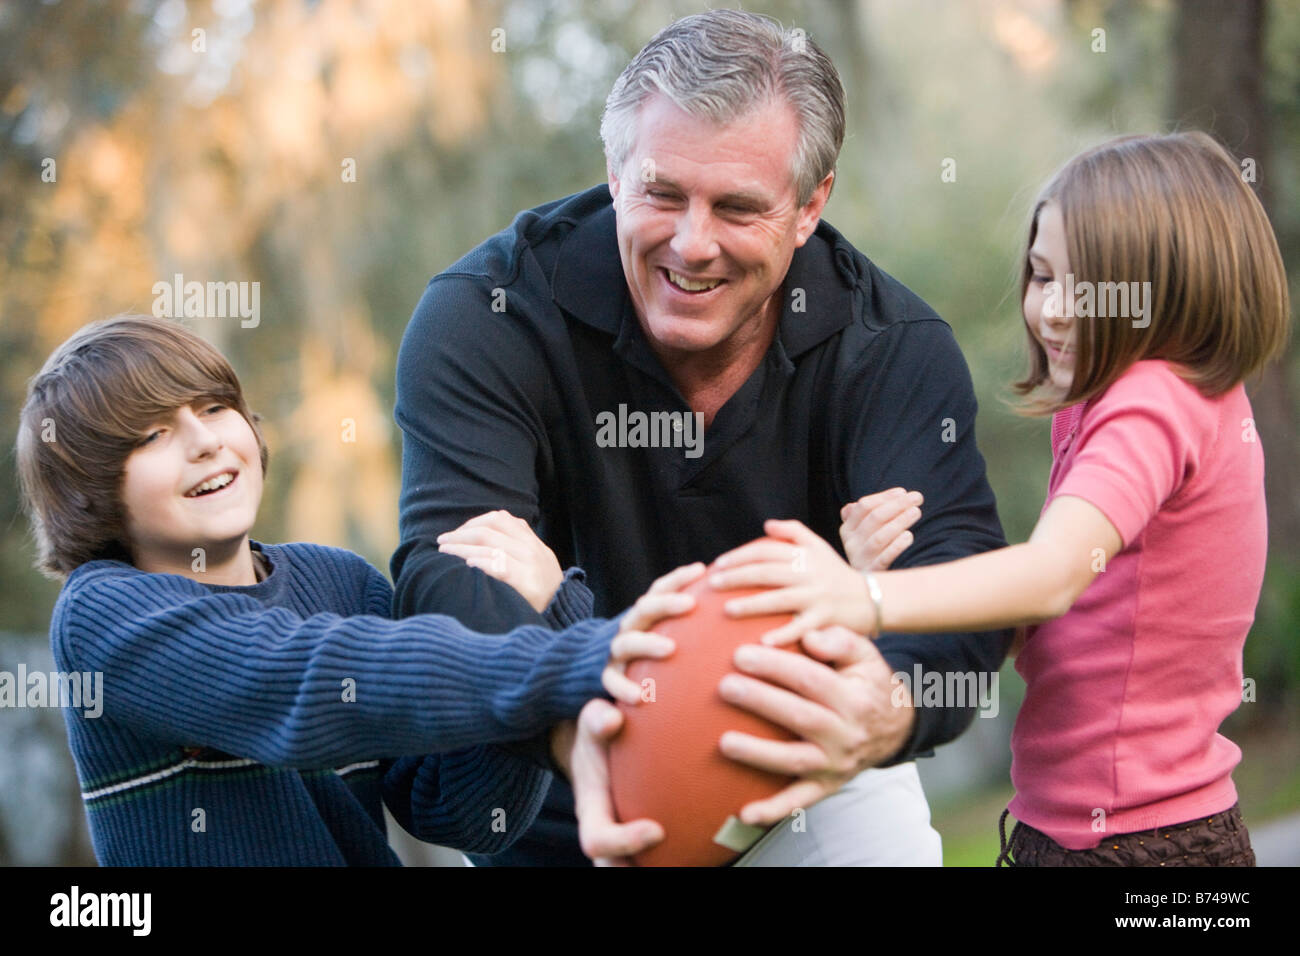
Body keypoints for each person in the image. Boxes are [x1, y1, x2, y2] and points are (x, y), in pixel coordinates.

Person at [392, 9, 1012, 865]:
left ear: (809, 205)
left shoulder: (892, 347)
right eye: (662, 193)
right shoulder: (484, 318)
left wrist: (887, 706)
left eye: (737, 207)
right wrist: (597, 734)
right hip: (563, 779)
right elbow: (452, 579)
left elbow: (959, 583)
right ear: (614, 173)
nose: (692, 244)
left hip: (802, 758)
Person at [706, 131, 1289, 866]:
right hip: (1111, 830)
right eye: (1042, 276)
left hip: (1133, 844)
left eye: (1087, 288)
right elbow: (1074, 616)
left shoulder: (1150, 406)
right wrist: (902, 583)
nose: (1052, 310)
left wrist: (861, 598)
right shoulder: (1172, 401)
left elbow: (1048, 580)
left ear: (1171, 285)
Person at [14, 314, 682, 865]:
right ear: (91, 493)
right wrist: (594, 654)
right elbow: (303, 678)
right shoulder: (102, 613)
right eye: (153, 435)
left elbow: (463, 817)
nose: (203, 442)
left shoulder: (338, 580)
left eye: (215, 408)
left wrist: (546, 615)